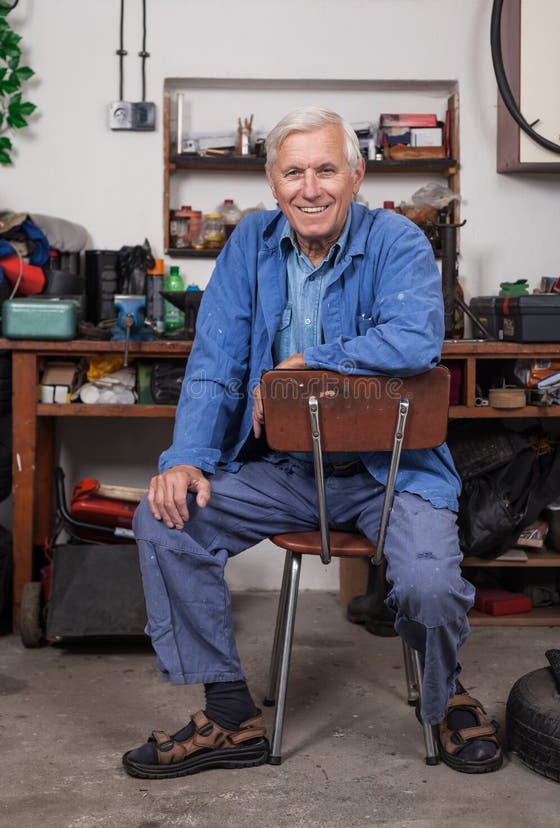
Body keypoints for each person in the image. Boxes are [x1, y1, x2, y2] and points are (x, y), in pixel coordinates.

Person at [122, 106, 502, 779]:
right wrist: (184, 460)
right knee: (164, 519)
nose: (310, 188)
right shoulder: (250, 242)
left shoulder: (397, 241)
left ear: (357, 175)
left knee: (429, 584)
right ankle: (230, 714)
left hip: (391, 472)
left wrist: (307, 364)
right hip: (287, 471)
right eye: (293, 172)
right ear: (272, 182)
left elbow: (415, 340)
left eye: (326, 169)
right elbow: (214, 362)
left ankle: (446, 695)